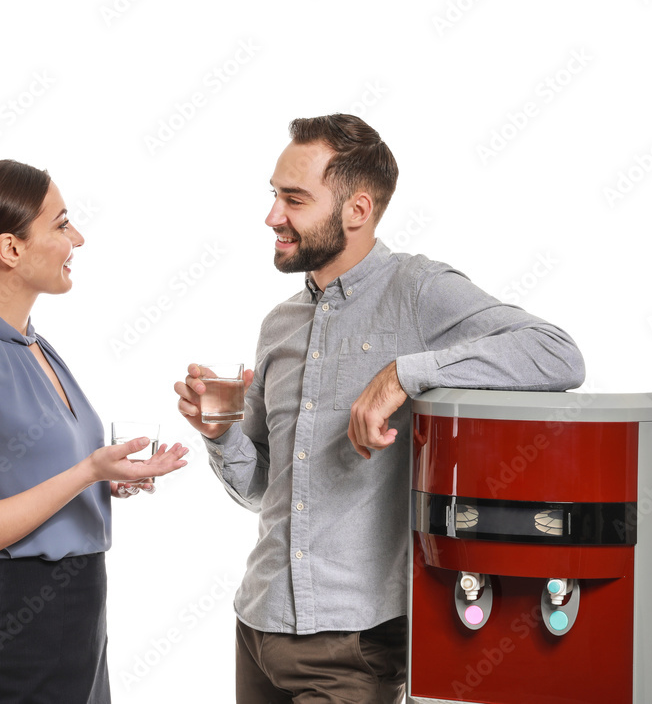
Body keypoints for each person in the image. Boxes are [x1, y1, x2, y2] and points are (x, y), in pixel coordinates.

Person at [174, 114, 585, 703]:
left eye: (294, 199)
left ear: (357, 210)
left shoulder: (419, 292)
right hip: (256, 626)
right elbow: (263, 489)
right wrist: (220, 434)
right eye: (274, 196)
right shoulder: (279, 325)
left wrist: (403, 374)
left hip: (353, 648)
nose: (272, 217)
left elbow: (556, 355)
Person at [0, 159, 187, 703]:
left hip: (82, 644)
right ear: (10, 249)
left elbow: (32, 481)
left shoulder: (35, 346)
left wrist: (104, 481)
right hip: (19, 656)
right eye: (61, 224)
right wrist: (86, 470)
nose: (77, 237)